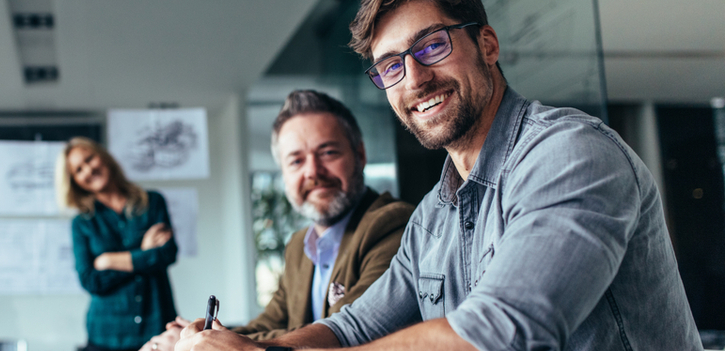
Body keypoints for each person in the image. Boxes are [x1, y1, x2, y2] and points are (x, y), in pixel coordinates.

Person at [175, 0, 703, 350]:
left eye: (432, 45)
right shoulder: (434, 215)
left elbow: (504, 332)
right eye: (390, 67)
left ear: (488, 46)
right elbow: (354, 326)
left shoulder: (569, 154)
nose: (416, 78)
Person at [138, 90, 415, 351]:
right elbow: (271, 323)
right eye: (296, 161)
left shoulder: (391, 224)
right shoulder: (299, 245)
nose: (313, 172)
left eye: (328, 153)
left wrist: (209, 341)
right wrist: (205, 335)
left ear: (360, 154)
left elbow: (346, 331)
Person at [57, 136, 178, 351]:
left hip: (157, 327)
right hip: (106, 336)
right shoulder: (82, 223)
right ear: (74, 181)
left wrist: (109, 260)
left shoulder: (152, 202)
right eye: (78, 170)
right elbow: (90, 280)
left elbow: (167, 254)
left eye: (89, 159)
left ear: (103, 157)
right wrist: (143, 252)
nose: (88, 170)